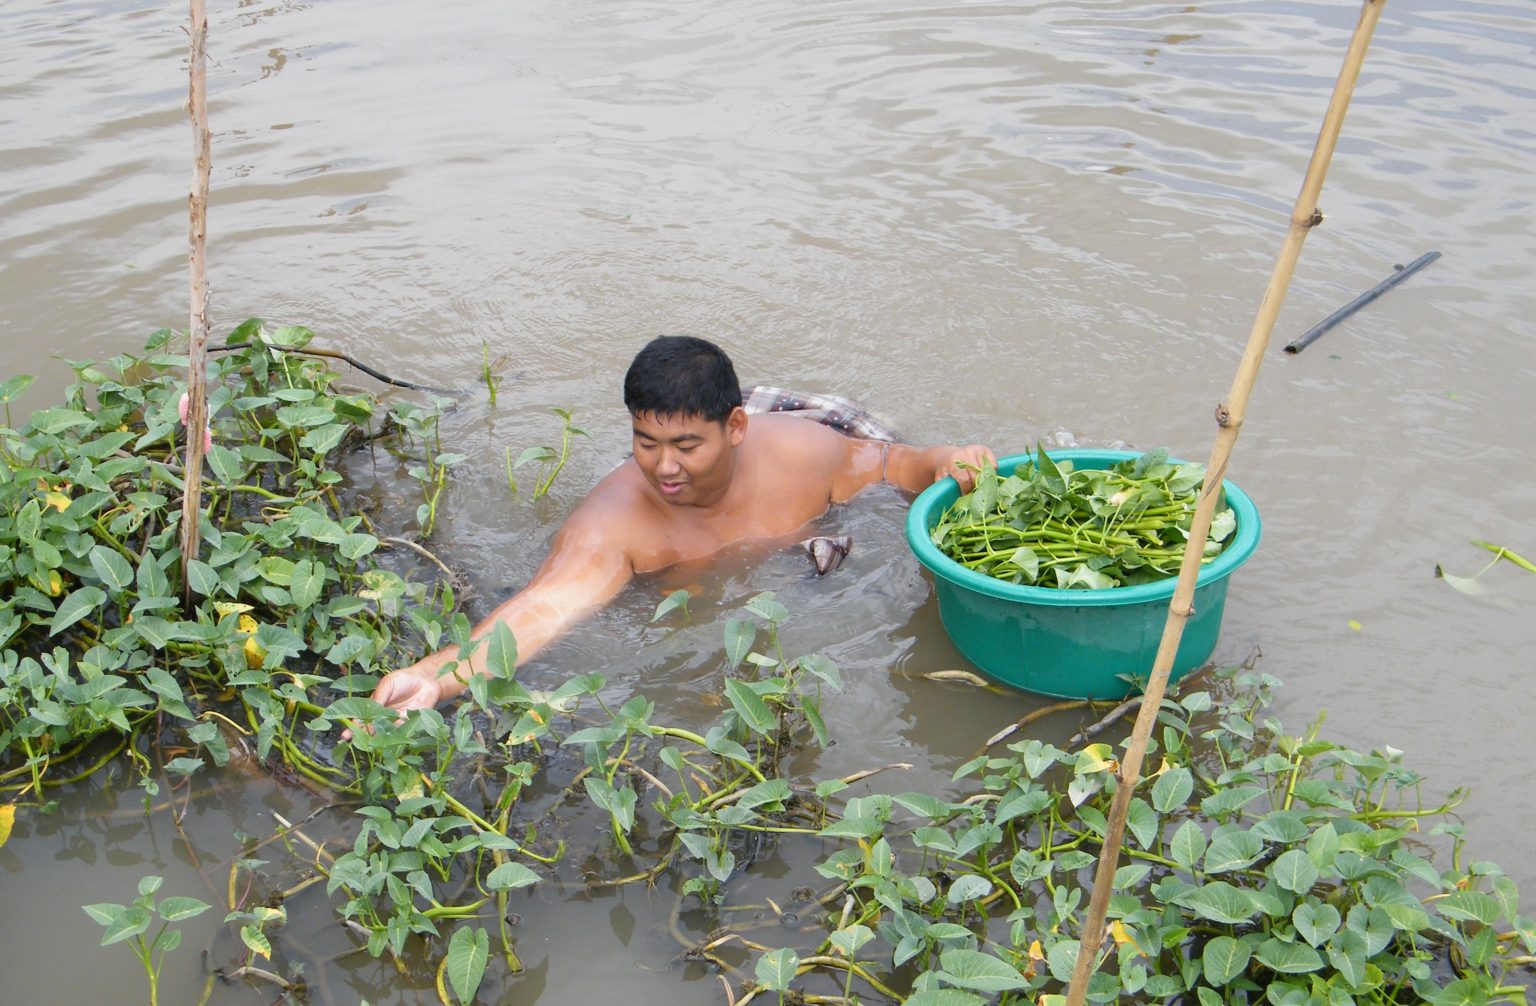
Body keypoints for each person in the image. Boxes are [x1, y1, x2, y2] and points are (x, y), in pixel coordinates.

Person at [366, 335, 995, 716]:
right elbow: (541, 609)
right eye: (647, 443)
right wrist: (433, 677)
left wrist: (948, 461)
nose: (664, 467)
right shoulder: (613, 524)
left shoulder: (802, 451)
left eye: (686, 446)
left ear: (734, 429)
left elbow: (894, 465)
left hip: (791, 424)